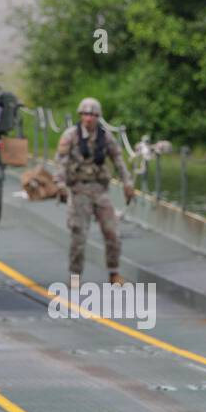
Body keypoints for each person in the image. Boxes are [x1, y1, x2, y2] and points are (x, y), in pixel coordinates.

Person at [54, 97, 134, 284]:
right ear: (80, 115)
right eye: (85, 114)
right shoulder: (70, 136)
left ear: (98, 117)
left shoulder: (105, 137)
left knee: (112, 232)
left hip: (99, 190)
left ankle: (114, 272)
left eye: (92, 115)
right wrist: (60, 184)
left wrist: (127, 183)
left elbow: (118, 161)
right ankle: (75, 276)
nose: (88, 118)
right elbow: (61, 162)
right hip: (79, 190)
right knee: (78, 235)